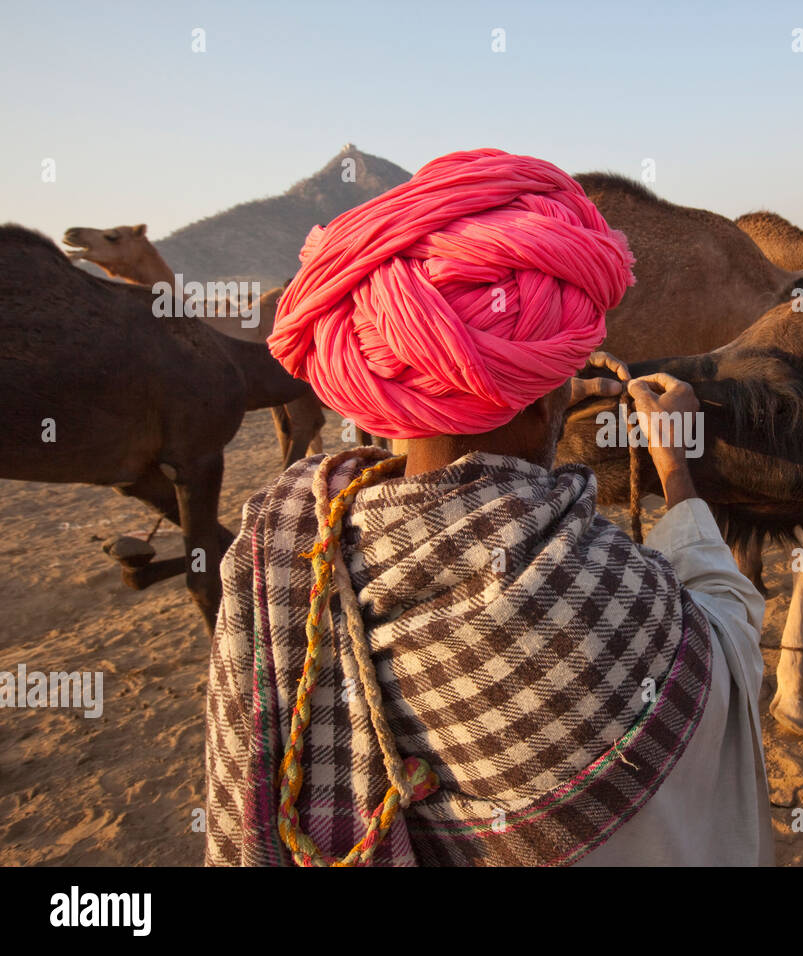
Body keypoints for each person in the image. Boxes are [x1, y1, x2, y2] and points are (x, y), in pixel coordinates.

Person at [204, 148, 772, 866]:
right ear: (544, 404)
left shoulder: (282, 544)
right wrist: (676, 470)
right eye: (562, 378)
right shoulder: (614, 606)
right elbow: (731, 643)